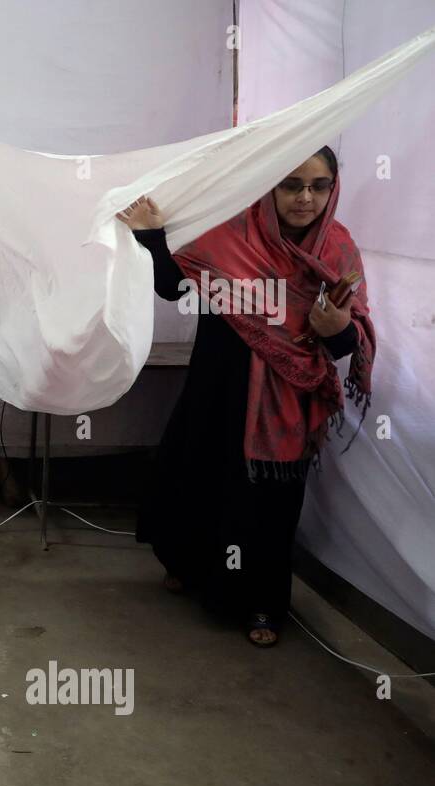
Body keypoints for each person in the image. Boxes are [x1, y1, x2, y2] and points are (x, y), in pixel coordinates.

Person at [119, 146, 374, 646]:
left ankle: (261, 604)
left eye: (318, 186)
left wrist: (338, 327)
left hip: (285, 399)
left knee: (270, 502)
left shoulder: (337, 249)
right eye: (291, 184)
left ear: (333, 188)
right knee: (203, 478)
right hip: (219, 382)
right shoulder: (233, 232)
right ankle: (191, 569)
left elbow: (350, 340)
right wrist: (151, 236)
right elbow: (174, 288)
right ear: (269, 185)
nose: (305, 198)